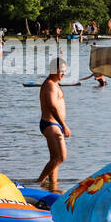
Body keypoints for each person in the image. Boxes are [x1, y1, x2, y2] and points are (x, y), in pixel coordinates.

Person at [36, 56, 70, 191]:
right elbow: (51, 106)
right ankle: (38, 182)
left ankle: (52, 187)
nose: (63, 74)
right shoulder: (50, 84)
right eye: (61, 70)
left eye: (65, 71)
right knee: (61, 156)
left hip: (54, 125)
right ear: (53, 70)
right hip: (50, 124)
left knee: (54, 159)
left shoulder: (55, 83)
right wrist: (64, 124)